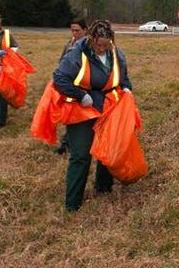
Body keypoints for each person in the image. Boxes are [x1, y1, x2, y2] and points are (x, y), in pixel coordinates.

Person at [53, 20, 132, 211]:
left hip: (107, 109)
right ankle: (72, 204)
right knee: (81, 155)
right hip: (81, 110)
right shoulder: (77, 53)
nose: (101, 48)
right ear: (91, 39)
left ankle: (103, 188)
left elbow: (124, 78)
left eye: (105, 45)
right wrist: (81, 94)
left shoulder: (117, 54)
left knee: (106, 151)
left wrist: (127, 89)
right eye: (98, 44)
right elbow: (59, 78)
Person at [55, 19, 89, 155]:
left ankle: (68, 143)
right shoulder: (70, 44)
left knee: (78, 116)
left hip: (82, 86)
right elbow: (62, 62)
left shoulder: (88, 46)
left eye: (77, 30)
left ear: (85, 30)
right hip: (69, 85)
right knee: (70, 114)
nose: (74, 33)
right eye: (72, 30)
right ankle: (66, 142)